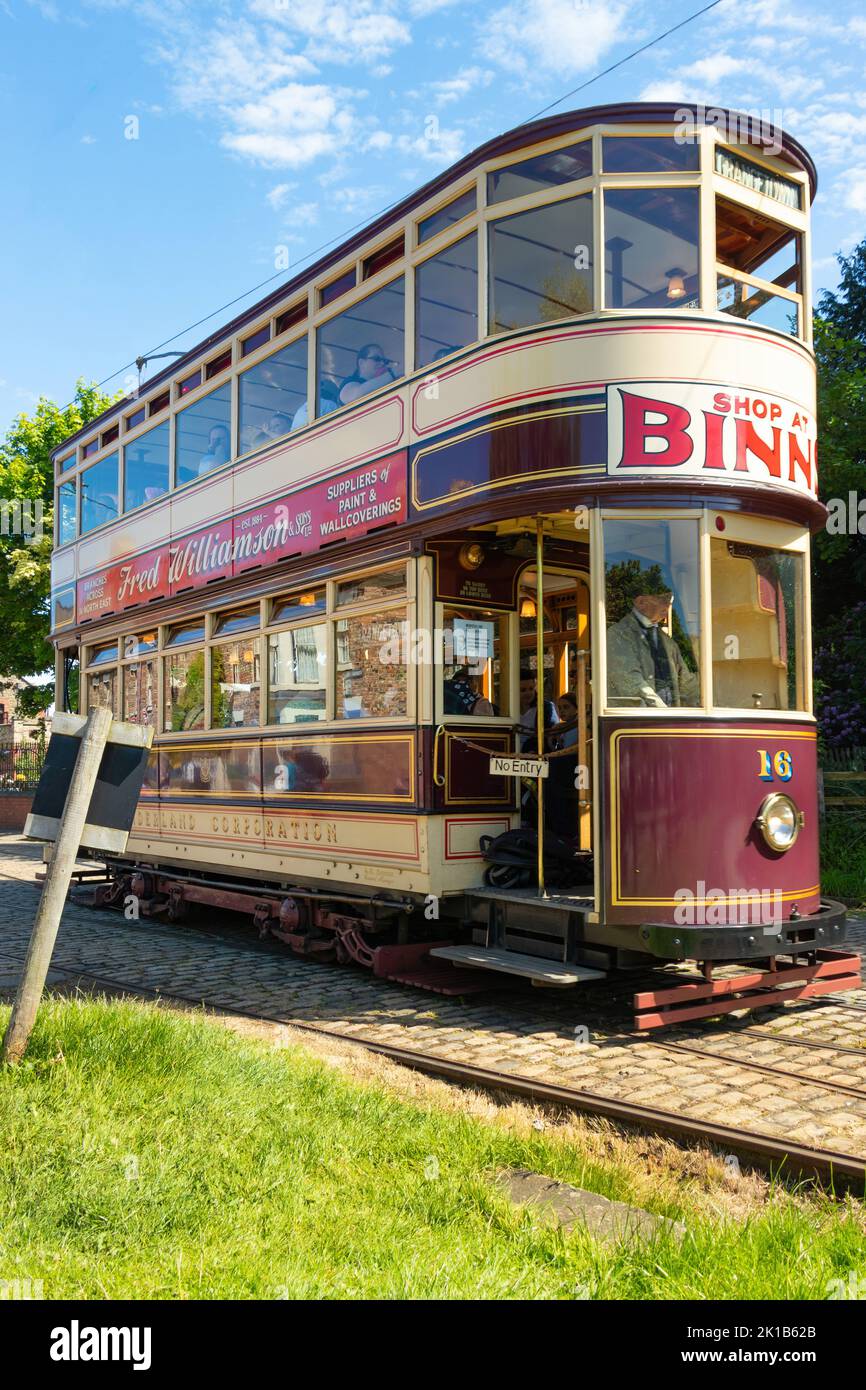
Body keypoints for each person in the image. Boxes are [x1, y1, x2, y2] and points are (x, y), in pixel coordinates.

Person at [606, 587, 700, 707]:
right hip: (638, 721)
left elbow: (685, 680)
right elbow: (631, 682)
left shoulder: (667, 641)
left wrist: (700, 703)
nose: (668, 604)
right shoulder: (618, 634)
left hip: (667, 719)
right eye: (663, 598)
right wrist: (662, 713)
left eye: (670, 599)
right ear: (641, 602)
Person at [518, 669, 558, 752]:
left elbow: (551, 735)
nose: (528, 693)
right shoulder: (508, 710)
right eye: (523, 690)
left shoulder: (546, 708)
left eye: (531, 689)